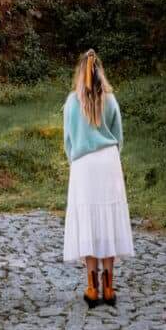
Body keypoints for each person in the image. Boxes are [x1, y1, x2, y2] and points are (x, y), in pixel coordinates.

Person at [62, 48, 134, 307]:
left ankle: (92, 287)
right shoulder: (110, 101)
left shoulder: (72, 102)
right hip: (108, 162)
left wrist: (77, 160)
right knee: (109, 221)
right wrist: (110, 157)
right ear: (99, 71)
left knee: (89, 223)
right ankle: (109, 287)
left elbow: (68, 141)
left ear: (80, 73)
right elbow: (119, 137)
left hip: (83, 166)